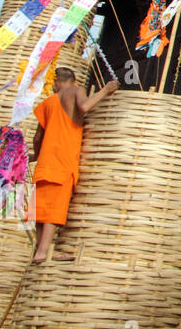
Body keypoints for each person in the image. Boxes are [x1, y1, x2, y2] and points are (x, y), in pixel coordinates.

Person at [30, 69, 118, 262]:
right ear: (73, 80)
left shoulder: (47, 103)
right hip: (63, 160)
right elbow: (85, 107)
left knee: (40, 208)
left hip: (45, 162)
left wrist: (36, 156)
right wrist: (106, 90)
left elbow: (37, 138)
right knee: (54, 208)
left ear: (55, 83)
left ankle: (39, 249)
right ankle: (43, 251)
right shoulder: (76, 90)